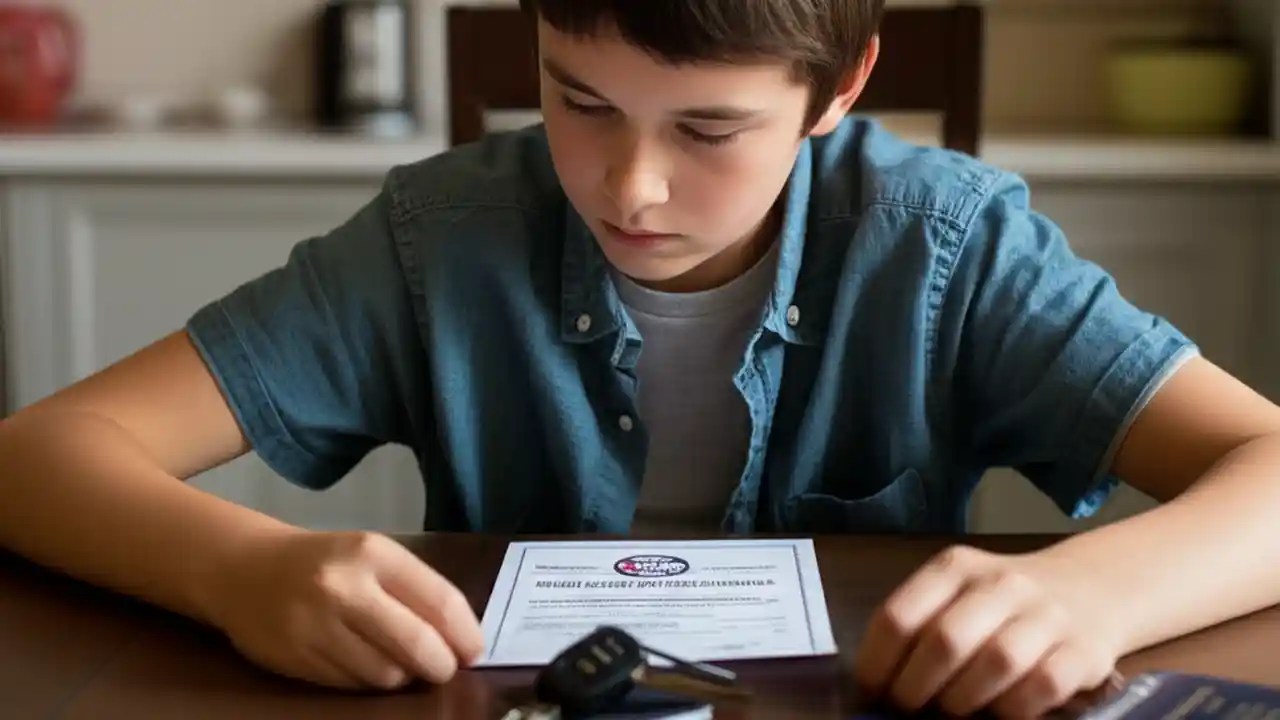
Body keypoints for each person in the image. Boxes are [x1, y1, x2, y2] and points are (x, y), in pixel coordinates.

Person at [2, 0, 1279, 716]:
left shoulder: (952, 243)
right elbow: (38, 457)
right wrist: (245, 569)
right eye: (580, 101)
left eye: (711, 127)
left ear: (838, 92)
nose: (633, 188)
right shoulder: (436, 238)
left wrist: (1083, 598)